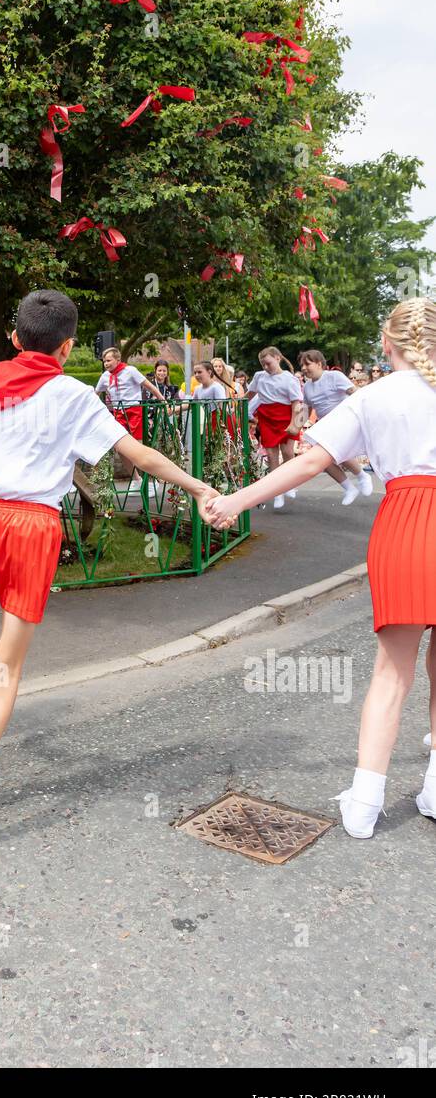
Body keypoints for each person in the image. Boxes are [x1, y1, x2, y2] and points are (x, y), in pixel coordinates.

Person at [0, 289, 226, 848]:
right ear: (68, 346)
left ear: (16, 337)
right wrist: (197, 487)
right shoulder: (72, 394)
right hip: (33, 528)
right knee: (6, 667)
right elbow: (139, 455)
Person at [206, 298, 436, 841]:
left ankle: (363, 801)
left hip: (404, 522)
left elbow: (309, 460)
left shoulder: (373, 396)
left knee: (391, 670)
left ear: (389, 342)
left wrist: (236, 501)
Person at [299, 350, 373, 506]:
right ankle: (349, 487)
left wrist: (362, 413)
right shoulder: (307, 387)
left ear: (319, 363)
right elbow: (306, 409)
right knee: (322, 461)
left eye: (307, 364)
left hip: (342, 422)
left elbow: (354, 393)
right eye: (302, 365)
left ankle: (362, 476)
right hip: (324, 425)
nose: (304, 368)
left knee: (338, 453)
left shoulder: (334, 377)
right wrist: (296, 426)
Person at [247, 347, 304, 510]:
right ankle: (277, 492)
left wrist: (294, 424)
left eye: (268, 363)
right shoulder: (259, 376)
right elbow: (249, 395)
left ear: (278, 358)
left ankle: (290, 484)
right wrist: (237, 403)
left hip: (286, 415)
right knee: (272, 456)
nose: (265, 367)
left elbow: (296, 403)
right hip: (267, 417)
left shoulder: (289, 378)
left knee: (287, 453)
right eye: (263, 364)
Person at [94, 345, 164, 440]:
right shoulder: (105, 376)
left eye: (108, 360)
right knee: (120, 440)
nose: (105, 364)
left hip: (134, 410)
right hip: (118, 411)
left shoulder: (130, 370)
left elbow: (150, 387)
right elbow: (96, 394)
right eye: (104, 361)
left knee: (136, 440)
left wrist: (163, 400)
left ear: (118, 360)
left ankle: (138, 454)